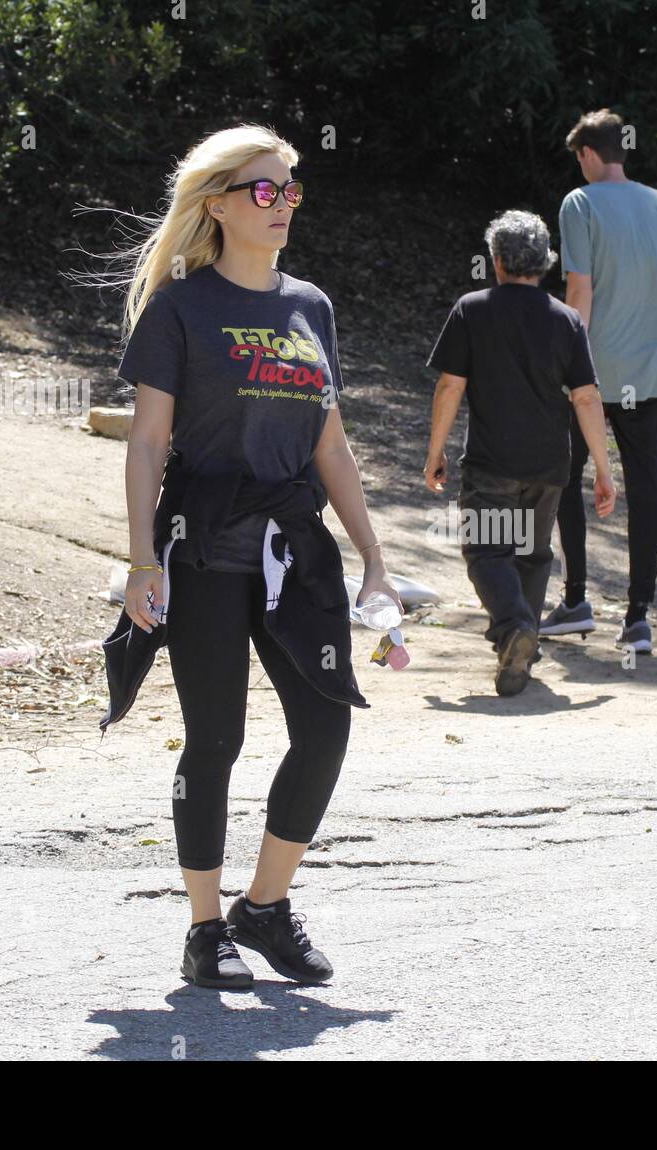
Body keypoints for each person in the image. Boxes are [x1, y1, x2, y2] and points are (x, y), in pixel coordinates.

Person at [109, 123, 400, 988]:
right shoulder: (180, 308)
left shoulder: (310, 306)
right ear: (219, 204)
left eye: (290, 190)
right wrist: (140, 561)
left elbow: (331, 448)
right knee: (217, 739)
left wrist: (374, 561)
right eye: (264, 191)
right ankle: (206, 931)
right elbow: (146, 442)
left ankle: (264, 908)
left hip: (293, 549)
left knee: (326, 725)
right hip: (202, 551)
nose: (282, 206)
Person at [424, 210, 615, 695]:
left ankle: (515, 630)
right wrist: (604, 470)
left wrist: (435, 450)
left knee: (487, 550)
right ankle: (520, 654)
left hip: (492, 463)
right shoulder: (566, 319)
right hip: (550, 465)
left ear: (497, 260)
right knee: (531, 553)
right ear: (545, 262)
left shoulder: (473, 308)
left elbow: (450, 385)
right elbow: (587, 396)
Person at [541, 108, 657, 654]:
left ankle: (576, 599)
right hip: (649, 374)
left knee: (566, 477)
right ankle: (639, 617)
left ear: (586, 154)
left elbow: (580, 289)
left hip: (590, 374)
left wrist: (568, 356)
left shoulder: (579, 203)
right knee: (647, 490)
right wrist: (653, 346)